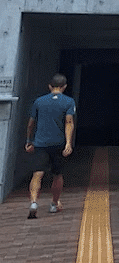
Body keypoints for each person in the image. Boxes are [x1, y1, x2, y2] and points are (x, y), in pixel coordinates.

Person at [25, 74, 76, 220]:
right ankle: (54, 203)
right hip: (58, 144)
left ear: (49, 86)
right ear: (64, 87)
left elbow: (30, 123)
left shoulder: (39, 102)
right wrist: (68, 143)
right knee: (57, 174)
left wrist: (29, 140)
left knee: (37, 174)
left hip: (40, 143)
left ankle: (34, 203)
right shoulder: (69, 102)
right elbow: (69, 122)